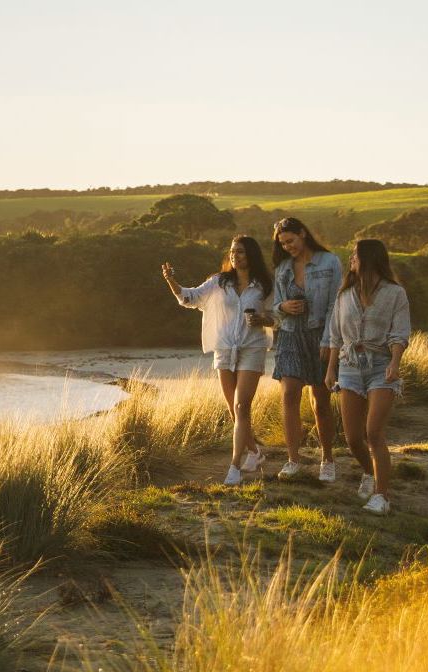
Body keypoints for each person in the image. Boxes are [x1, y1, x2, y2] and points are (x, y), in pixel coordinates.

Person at [162, 236, 274, 486]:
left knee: (241, 407)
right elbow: (188, 298)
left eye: (241, 252)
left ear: (251, 255)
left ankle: (234, 466)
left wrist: (262, 321)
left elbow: (276, 317)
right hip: (224, 350)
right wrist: (171, 280)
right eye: (233, 251)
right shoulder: (218, 282)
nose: (235, 256)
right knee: (234, 410)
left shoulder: (264, 285)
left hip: (252, 348)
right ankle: (255, 453)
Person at [321, 238, 411, 515]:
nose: (351, 261)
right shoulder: (343, 295)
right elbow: (335, 336)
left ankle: (382, 497)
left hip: (381, 366)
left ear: (370, 260)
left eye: (356, 257)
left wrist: (395, 364)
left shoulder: (395, 293)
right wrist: (330, 369)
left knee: (373, 432)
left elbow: (400, 334)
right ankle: (369, 473)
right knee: (352, 438)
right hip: (349, 367)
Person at [256, 216, 343, 482]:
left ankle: (327, 459)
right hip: (290, 336)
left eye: (290, 241)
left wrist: (329, 341)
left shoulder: (330, 262)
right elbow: (275, 309)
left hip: (320, 336)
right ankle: (293, 459)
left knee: (320, 401)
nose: (287, 247)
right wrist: (283, 308)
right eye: (282, 244)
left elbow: (336, 306)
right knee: (289, 395)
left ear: (303, 233)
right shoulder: (283, 268)